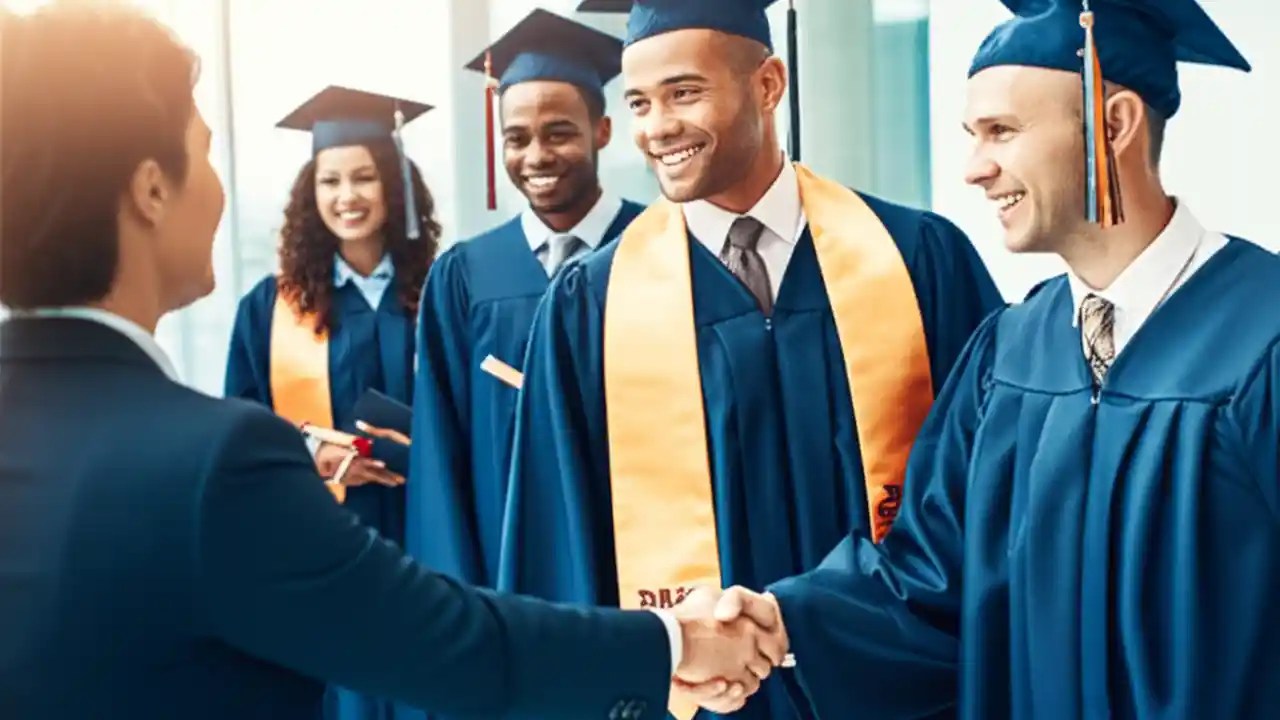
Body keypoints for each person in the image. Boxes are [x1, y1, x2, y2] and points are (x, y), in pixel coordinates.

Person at [0, 5, 786, 719]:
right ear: (150, 190)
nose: (219, 188)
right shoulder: (215, 464)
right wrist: (676, 644)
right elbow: (454, 645)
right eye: (203, 154)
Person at [701, 0, 1280, 718]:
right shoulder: (1009, 351)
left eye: (1001, 132)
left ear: (1115, 123)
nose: (976, 170)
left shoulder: (1264, 337)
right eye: (971, 136)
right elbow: (930, 578)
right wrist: (781, 620)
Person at [502, 0, 1003, 718]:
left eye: (684, 92)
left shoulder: (917, 258)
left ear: (768, 85)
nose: (657, 127)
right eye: (638, 102)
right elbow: (558, 554)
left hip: (899, 691)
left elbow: (987, 497)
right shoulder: (592, 304)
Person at [407, 8, 645, 596]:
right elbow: (441, 456)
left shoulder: (658, 251)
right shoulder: (465, 276)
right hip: (508, 575)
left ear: (603, 131)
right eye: (516, 138)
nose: (536, 156)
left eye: (559, 131)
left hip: (640, 559)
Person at [225, 85, 436, 552]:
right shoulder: (271, 308)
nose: (347, 196)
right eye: (330, 181)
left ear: (394, 184)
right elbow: (242, 423)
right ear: (311, 193)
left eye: (364, 177)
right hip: (321, 531)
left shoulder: (441, 292)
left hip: (431, 525)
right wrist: (313, 453)